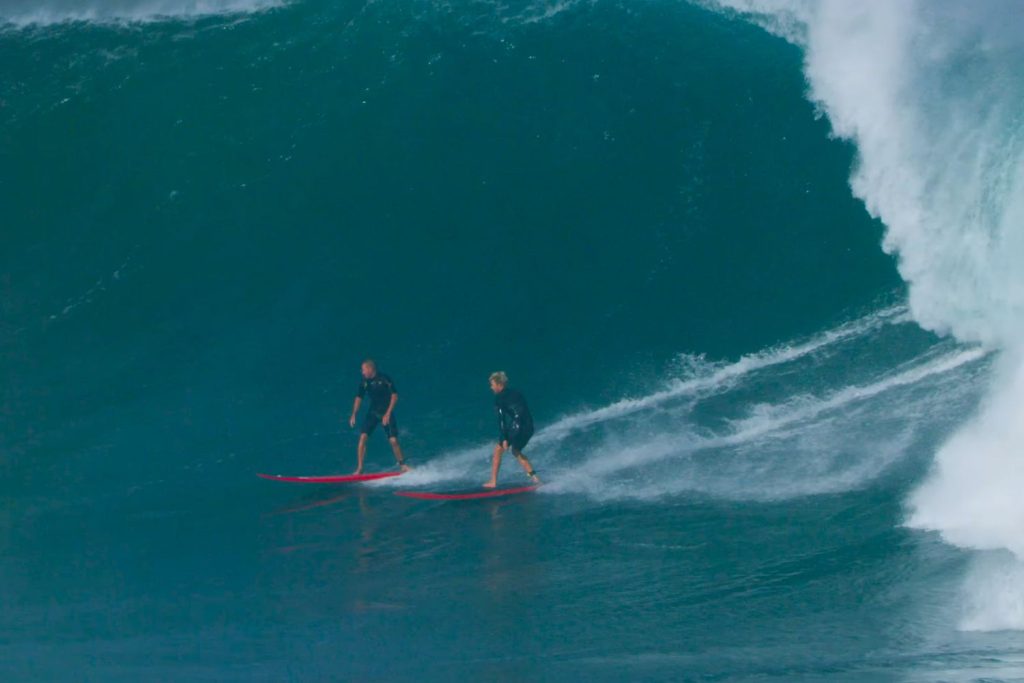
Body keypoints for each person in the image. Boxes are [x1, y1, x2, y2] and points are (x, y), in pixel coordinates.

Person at [348, 359, 409, 474]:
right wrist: (354, 413)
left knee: (393, 440)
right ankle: (360, 468)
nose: (362, 372)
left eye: (364, 369)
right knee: (363, 438)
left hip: (386, 412)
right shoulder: (364, 382)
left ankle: (403, 465)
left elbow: (394, 396)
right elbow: (358, 398)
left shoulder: (384, 378)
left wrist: (388, 413)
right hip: (373, 412)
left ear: (370, 369)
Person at [485, 371, 540, 488]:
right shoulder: (517, 393)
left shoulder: (499, 398)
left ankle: (493, 482)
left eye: (492, 384)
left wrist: (504, 438)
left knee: (497, 450)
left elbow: (501, 420)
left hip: (517, 426)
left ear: (500, 384)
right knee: (516, 451)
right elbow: (523, 411)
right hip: (529, 426)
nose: (491, 387)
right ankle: (535, 479)